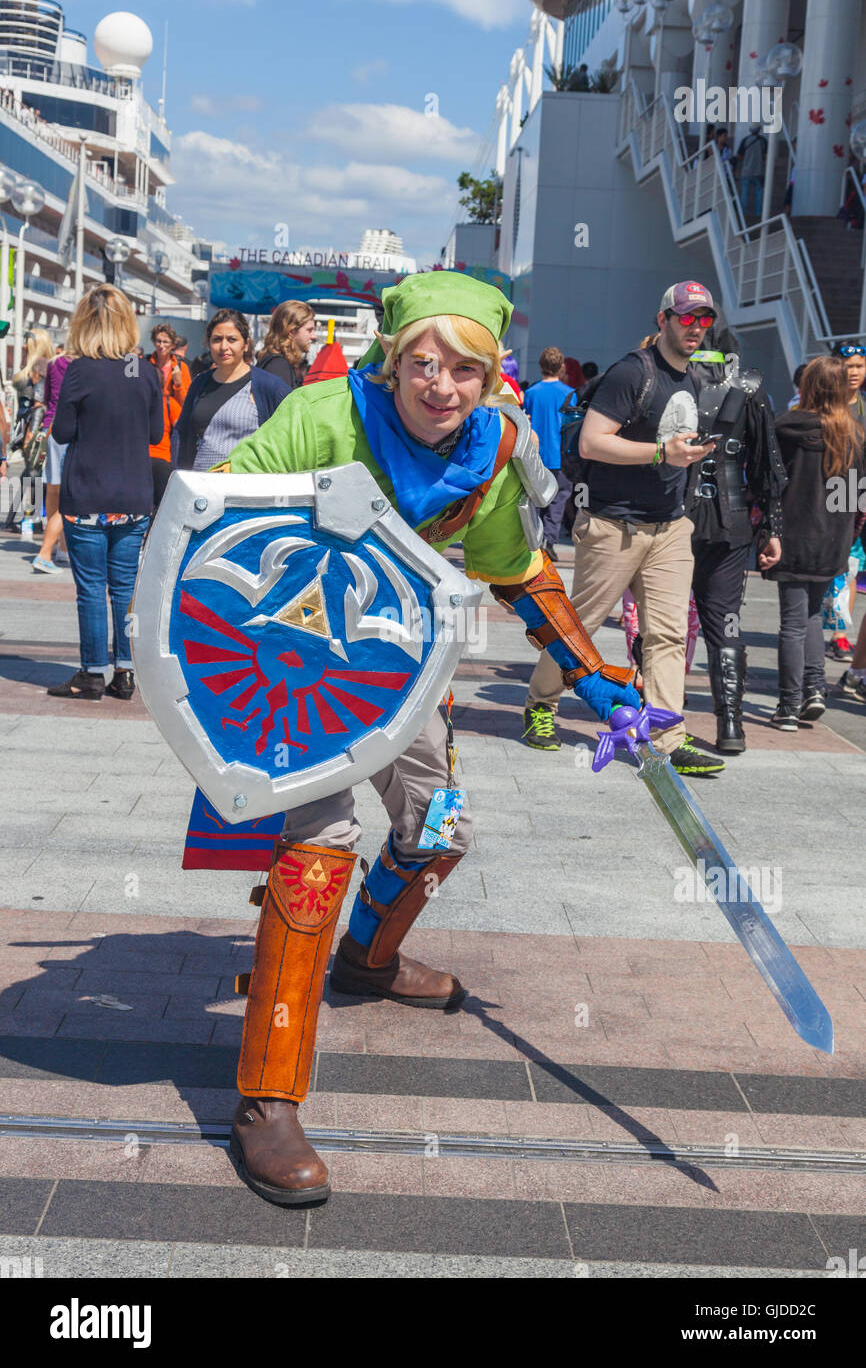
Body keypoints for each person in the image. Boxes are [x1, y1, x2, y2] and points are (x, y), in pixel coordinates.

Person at [202, 271, 640, 1204]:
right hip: (286, 667)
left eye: (466, 370)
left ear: (490, 378)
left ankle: (365, 958)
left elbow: (517, 568)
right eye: (426, 364)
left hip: (396, 669)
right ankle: (266, 1099)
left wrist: (604, 679)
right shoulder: (327, 415)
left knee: (440, 826)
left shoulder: (491, 453)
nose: (443, 387)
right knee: (320, 842)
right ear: (395, 361)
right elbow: (215, 512)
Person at [524, 282, 727, 773]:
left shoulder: (695, 378)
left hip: (670, 526)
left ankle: (669, 736)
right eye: (687, 318)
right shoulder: (631, 372)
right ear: (664, 320)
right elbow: (593, 442)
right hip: (614, 525)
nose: (696, 327)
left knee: (668, 635)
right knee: (580, 626)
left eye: (704, 319)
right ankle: (541, 706)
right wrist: (662, 453)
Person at [47, 286, 162, 702]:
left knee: (92, 588)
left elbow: (61, 432)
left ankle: (92, 674)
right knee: (125, 587)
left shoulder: (80, 370)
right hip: (133, 497)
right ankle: (126, 671)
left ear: (85, 323)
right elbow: (155, 434)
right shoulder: (145, 370)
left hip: (88, 495)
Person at [685, 324, 786, 752]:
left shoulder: (669, 378)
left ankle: (656, 712)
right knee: (725, 622)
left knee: (664, 623)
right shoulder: (751, 388)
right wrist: (771, 529)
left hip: (674, 516)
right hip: (730, 523)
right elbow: (769, 465)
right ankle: (731, 726)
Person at [768, 356, 865, 730]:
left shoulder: (786, 428)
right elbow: (857, 498)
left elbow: (771, 483)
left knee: (793, 622)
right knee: (810, 617)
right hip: (834, 540)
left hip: (792, 535)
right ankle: (814, 690)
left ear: (808, 386)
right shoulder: (854, 434)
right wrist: (848, 538)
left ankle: (790, 704)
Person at [175, 309, 289, 471]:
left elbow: (291, 430)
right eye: (217, 339)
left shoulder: (267, 385)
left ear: (246, 344)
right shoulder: (199, 383)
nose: (223, 346)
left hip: (244, 489)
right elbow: (182, 433)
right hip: (200, 487)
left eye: (232, 339)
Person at [826, 342, 866, 661]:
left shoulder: (864, 408)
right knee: (830, 568)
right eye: (848, 365)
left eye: (859, 366)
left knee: (850, 566)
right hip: (823, 495)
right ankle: (823, 624)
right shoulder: (823, 407)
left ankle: (840, 632)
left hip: (856, 495)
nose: (853, 372)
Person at [523, 347, 573, 560]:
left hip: (536, 454)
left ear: (541, 366)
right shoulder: (568, 393)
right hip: (560, 454)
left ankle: (534, 538)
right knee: (558, 498)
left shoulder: (531, 393)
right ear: (561, 367)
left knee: (534, 497)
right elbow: (572, 425)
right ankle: (549, 540)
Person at [32, 344, 74, 574]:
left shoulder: (54, 363)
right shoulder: (84, 364)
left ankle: (60, 548)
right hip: (73, 430)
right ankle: (50, 550)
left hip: (51, 428)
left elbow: (48, 399)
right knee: (70, 494)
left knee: (53, 488)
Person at [148, 323, 191, 507]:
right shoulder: (141, 362)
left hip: (170, 422)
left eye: (165, 341)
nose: (161, 345)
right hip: (148, 418)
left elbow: (187, 403)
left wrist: (178, 383)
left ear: (173, 344)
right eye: (158, 341)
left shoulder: (181, 366)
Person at [256, 301, 317, 391]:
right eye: (309, 330)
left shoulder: (279, 363)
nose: (314, 336)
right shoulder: (278, 366)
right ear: (291, 331)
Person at [735, 123, 767, 219]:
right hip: (758, 171)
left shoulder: (745, 140)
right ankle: (758, 214)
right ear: (759, 130)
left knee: (744, 193)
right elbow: (766, 156)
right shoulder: (763, 141)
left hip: (746, 171)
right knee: (759, 193)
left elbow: (739, 156)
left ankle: (743, 214)